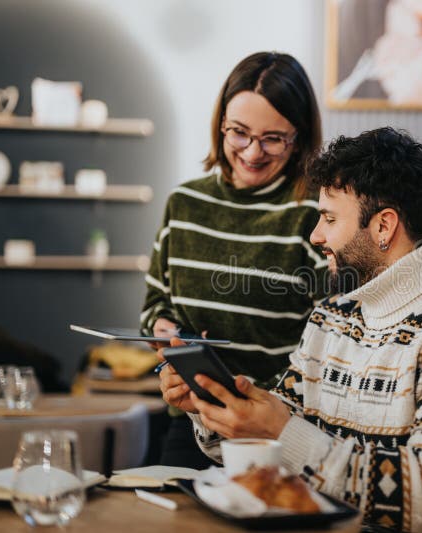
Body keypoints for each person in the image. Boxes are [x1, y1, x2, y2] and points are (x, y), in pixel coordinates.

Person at [159, 127, 422, 532]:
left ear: (384, 226)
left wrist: (281, 431)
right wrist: (212, 409)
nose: (316, 235)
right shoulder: (332, 318)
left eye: (329, 218)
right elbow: (276, 451)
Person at [141, 51, 327, 468]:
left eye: (273, 139)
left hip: (276, 435)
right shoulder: (185, 203)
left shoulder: (314, 213)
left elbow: (333, 337)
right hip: (191, 425)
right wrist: (164, 330)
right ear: (220, 125)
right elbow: (156, 304)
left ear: (299, 138)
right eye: (239, 133)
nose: (252, 152)